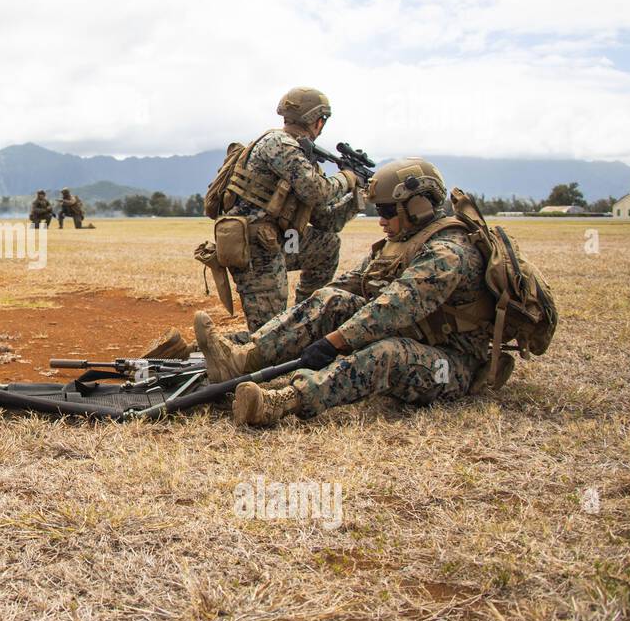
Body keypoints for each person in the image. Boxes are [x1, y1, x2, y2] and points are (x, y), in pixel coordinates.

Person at [195, 158, 507, 426]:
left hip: (453, 365)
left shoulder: (447, 253)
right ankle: (241, 359)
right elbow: (352, 283)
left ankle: (283, 401)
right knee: (332, 300)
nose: (381, 219)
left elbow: (392, 308)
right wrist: (316, 317)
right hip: (420, 336)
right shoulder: (405, 239)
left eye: (386, 210)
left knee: (388, 353)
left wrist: (333, 343)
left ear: (418, 206)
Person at [206, 88, 362, 331]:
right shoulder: (279, 144)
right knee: (269, 336)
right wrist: (348, 179)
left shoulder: (301, 157)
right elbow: (316, 191)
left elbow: (327, 220)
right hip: (253, 249)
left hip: (276, 242)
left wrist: (357, 198)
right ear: (318, 121)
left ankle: (305, 317)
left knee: (327, 244)